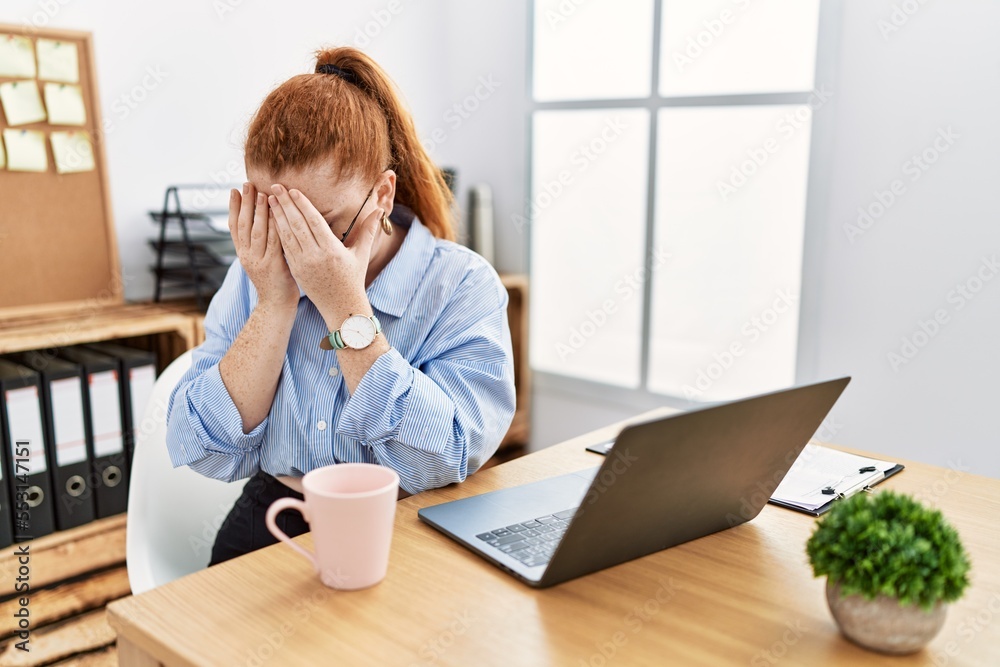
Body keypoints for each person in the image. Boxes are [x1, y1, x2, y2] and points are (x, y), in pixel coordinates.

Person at [165, 46, 516, 566]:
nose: (296, 250)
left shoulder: (462, 284)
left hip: (405, 523)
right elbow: (200, 446)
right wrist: (274, 302)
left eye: (321, 226)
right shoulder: (255, 275)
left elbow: (445, 457)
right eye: (277, 220)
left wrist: (346, 309)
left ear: (381, 195)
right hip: (272, 520)